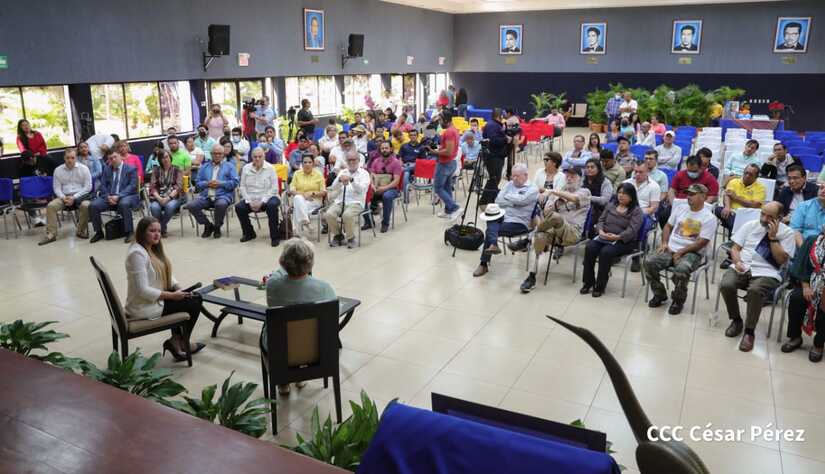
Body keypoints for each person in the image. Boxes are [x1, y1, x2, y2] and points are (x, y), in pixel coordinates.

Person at [125, 216, 205, 362]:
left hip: (153, 300)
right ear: (142, 232)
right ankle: (181, 342)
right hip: (144, 306)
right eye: (152, 231)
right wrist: (172, 296)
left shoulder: (151, 248)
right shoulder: (136, 254)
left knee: (190, 297)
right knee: (195, 301)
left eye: (159, 231)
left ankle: (177, 340)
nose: (157, 234)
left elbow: (164, 270)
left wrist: (177, 287)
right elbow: (142, 290)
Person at [263, 238, 336, 394]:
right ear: (310, 263)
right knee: (305, 330)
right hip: (316, 351)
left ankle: (283, 381)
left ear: (282, 261)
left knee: (274, 328)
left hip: (278, 350)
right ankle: (300, 376)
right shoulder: (323, 288)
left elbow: (279, 272)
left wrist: (288, 260)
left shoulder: (272, 284)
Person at [720, 201, 794, 351]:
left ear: (779, 218)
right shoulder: (751, 225)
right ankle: (736, 320)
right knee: (726, 284)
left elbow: (781, 260)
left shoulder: (787, 233)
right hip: (743, 265)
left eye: (769, 217)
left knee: (755, 291)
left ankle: (749, 331)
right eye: (762, 214)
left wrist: (773, 238)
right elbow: (735, 248)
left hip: (768, 271)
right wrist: (737, 261)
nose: (764, 219)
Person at [644, 184, 717, 315]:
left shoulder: (709, 218)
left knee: (682, 270)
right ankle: (659, 294)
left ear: (703, 197)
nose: (688, 197)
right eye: (688, 194)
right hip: (671, 248)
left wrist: (681, 252)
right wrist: (665, 243)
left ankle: (678, 300)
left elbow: (702, 242)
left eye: (692, 194)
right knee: (649, 261)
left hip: (692, 252)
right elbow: (667, 227)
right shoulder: (680, 209)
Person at [518, 166, 591, 292]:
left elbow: (574, 199)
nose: (569, 178)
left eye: (573, 176)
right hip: (554, 231)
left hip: (572, 233)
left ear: (580, 178)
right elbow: (547, 212)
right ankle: (532, 275)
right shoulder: (559, 191)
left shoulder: (585, 192)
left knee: (556, 217)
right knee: (540, 236)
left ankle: (527, 239)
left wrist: (553, 192)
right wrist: (548, 203)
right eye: (567, 175)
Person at [473, 164, 538, 278]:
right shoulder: (509, 184)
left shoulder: (533, 189)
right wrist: (514, 201)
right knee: (491, 216)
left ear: (526, 175)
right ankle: (493, 245)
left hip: (520, 223)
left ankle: (484, 263)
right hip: (503, 217)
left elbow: (522, 200)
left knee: (490, 230)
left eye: (517, 176)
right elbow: (498, 200)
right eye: (513, 176)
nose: (514, 179)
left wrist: (508, 198)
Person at [581, 183, 644, 297]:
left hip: (624, 241)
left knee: (606, 252)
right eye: (619, 193)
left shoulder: (636, 211)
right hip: (604, 236)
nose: (621, 195)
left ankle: (600, 286)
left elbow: (632, 230)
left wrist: (617, 237)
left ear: (631, 196)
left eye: (624, 194)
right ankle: (588, 282)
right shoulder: (611, 205)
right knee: (590, 248)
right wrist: (600, 231)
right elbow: (601, 221)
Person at [782, 232, 825, 362]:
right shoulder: (812, 240)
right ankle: (795, 337)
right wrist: (806, 286)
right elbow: (800, 267)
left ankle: (818, 344)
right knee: (796, 298)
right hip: (809, 283)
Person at [82, 150, 140, 244]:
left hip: (127, 196)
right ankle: (99, 232)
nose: (113, 160)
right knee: (93, 205)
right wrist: (108, 197)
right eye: (110, 158)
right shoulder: (107, 169)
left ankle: (129, 232)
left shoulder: (131, 169)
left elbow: (132, 186)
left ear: (121, 157)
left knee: (124, 203)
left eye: (115, 157)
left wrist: (118, 196)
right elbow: (102, 185)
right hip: (109, 197)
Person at [39, 148, 92, 245]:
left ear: (76, 158)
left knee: (86, 206)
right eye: (68, 158)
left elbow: (88, 187)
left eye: (72, 157)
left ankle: (80, 231)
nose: (70, 160)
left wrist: (74, 197)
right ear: (64, 158)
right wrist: (64, 197)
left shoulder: (84, 169)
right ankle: (51, 234)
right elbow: (57, 188)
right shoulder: (58, 170)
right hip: (64, 197)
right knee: (51, 206)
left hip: (80, 196)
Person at [188, 144, 239, 239]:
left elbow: (235, 182)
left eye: (219, 153)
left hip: (223, 195)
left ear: (223, 154)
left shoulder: (230, 166)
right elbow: (198, 183)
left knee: (220, 204)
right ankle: (208, 225)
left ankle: (217, 227)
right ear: (211, 154)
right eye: (215, 153)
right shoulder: (204, 167)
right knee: (191, 205)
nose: (217, 155)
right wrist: (207, 184)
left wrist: (220, 183)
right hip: (206, 196)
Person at [235, 147, 281, 246]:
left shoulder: (270, 168)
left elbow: (274, 188)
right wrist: (248, 201)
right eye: (255, 157)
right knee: (239, 207)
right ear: (251, 157)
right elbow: (242, 187)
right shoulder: (246, 168)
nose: (257, 159)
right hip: (251, 198)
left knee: (272, 206)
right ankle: (249, 233)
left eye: (260, 156)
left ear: (264, 157)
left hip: (269, 197)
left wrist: (262, 201)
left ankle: (275, 236)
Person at [325, 150, 370, 248]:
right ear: (346, 161)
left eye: (354, 160)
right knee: (328, 214)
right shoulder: (342, 172)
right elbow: (333, 187)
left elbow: (361, 190)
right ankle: (338, 236)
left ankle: (351, 238)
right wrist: (339, 180)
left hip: (356, 202)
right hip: (341, 201)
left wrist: (352, 180)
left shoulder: (364, 173)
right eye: (349, 160)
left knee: (347, 215)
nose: (351, 162)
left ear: (358, 160)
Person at [662, 155, 720, 227]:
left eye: (694, 171)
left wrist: (700, 206)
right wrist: (673, 203)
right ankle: (670, 235)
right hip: (680, 205)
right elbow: (672, 190)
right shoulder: (680, 175)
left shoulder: (710, 178)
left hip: (699, 207)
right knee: (664, 215)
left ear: (701, 168)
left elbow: (712, 196)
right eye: (689, 171)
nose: (691, 173)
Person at [714, 164, 765, 232]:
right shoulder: (734, 182)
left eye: (751, 174)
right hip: (731, 211)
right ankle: (735, 234)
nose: (747, 176)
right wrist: (727, 207)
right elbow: (727, 195)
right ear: (743, 172)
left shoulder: (761, 188)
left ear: (756, 177)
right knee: (718, 209)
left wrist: (736, 198)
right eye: (746, 173)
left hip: (748, 215)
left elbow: (755, 205)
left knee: (733, 222)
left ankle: (733, 236)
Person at [366, 141, 403, 233]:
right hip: (377, 186)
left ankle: (385, 223)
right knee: (364, 193)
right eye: (382, 148)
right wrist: (373, 185)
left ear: (391, 149)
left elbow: (396, 181)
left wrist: (384, 188)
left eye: (386, 148)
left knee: (387, 196)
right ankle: (369, 221)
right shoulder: (376, 161)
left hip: (391, 189)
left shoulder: (396, 163)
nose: (384, 150)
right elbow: (372, 175)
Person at [433, 110, 463, 219]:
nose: (439, 122)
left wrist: (434, 152)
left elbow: (448, 151)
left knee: (438, 188)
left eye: (440, 119)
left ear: (446, 119)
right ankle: (448, 210)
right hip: (450, 163)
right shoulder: (453, 130)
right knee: (446, 188)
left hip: (445, 163)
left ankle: (455, 207)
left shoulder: (449, 132)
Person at [147, 149, 184, 238]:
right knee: (154, 207)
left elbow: (179, 186)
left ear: (170, 157)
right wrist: (159, 199)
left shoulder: (177, 169)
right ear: (160, 160)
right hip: (158, 196)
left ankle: (161, 228)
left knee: (169, 206)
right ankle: (162, 229)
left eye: (167, 157)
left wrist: (168, 198)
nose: (165, 159)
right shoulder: (156, 170)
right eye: (162, 158)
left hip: (174, 196)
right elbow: (152, 187)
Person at [289, 154, 326, 237]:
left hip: (314, 200)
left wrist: (312, 194)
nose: (307, 164)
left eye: (309, 162)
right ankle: (306, 221)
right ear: (302, 164)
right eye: (305, 162)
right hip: (301, 199)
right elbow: (292, 190)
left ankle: (296, 231)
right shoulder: (297, 174)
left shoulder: (318, 174)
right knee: (298, 199)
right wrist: (303, 195)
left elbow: (324, 192)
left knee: (297, 206)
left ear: (313, 164)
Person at [481, 108, 511, 205]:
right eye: (502, 115)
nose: (504, 117)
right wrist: (506, 139)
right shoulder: (492, 126)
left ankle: (486, 200)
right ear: (499, 116)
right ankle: (487, 200)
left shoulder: (494, 125)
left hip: (496, 155)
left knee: (494, 178)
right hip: (493, 156)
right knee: (494, 178)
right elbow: (494, 140)